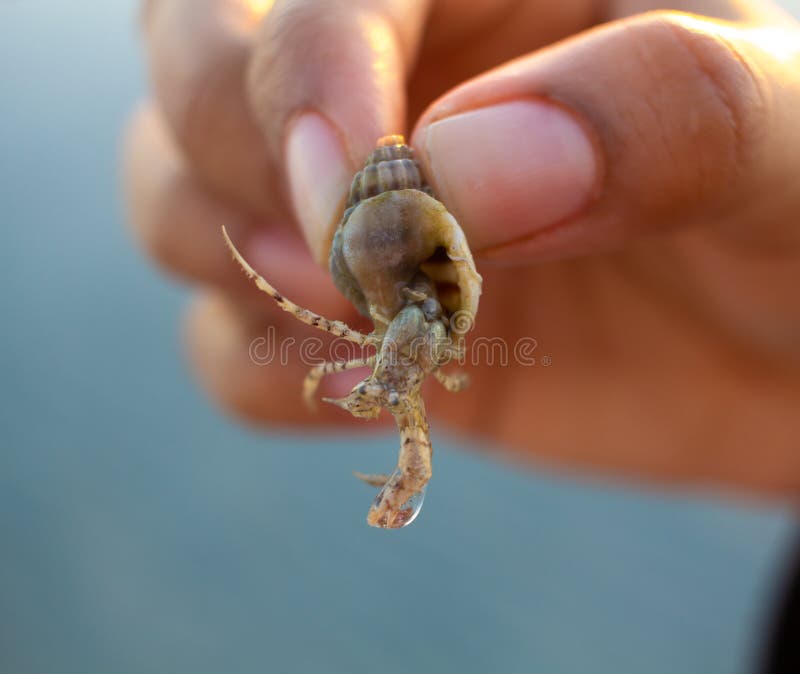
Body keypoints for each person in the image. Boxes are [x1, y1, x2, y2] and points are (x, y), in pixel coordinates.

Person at [123, 1, 800, 669]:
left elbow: (328, 320)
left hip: (398, 263)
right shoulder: (420, 339)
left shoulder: (405, 332)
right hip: (403, 269)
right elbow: (341, 328)